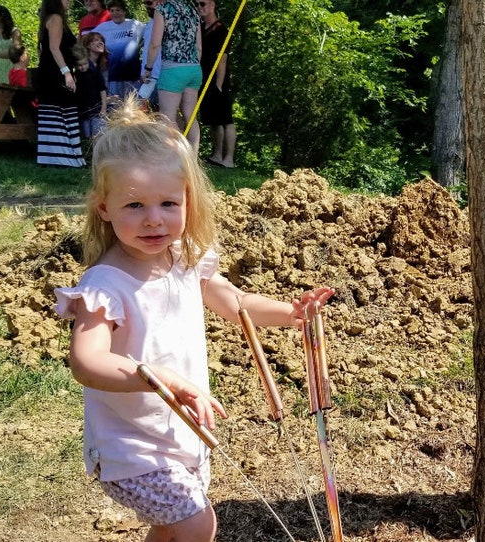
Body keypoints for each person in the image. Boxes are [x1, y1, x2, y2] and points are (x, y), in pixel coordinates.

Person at [54, 98, 335, 541]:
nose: (153, 219)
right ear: (103, 207)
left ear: (189, 200)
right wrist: (159, 378)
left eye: (168, 202)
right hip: (133, 446)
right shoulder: (105, 285)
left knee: (170, 529)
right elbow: (86, 361)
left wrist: (291, 313)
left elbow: (236, 302)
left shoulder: (186, 260)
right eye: (134, 206)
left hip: (183, 435)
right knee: (197, 523)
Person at [142, 0, 201, 149]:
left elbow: (155, 44)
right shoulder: (193, 9)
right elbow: (198, 47)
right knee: (190, 116)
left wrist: (148, 68)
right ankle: (192, 158)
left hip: (172, 69)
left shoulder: (162, 9)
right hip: (194, 68)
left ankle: (180, 156)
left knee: (167, 117)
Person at [34, 0, 84, 167]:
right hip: (54, 74)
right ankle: (62, 157)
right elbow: (54, 48)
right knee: (61, 112)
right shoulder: (55, 18)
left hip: (50, 73)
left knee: (59, 113)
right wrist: (67, 73)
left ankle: (58, 156)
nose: (69, 1)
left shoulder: (47, 19)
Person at [197, 0, 234, 168]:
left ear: (212, 5)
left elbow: (222, 59)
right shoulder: (201, 28)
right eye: (197, 4)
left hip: (218, 81)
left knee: (225, 120)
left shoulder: (221, 30)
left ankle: (228, 159)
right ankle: (217, 155)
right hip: (204, 78)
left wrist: (218, 85)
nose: (199, 7)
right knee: (213, 120)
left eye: (202, 4)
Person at [92, 0, 144, 100]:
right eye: (112, 10)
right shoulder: (103, 27)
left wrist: (138, 47)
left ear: (124, 11)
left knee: (134, 107)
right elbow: (87, 40)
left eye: (118, 10)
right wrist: (101, 52)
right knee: (115, 107)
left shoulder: (137, 25)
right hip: (113, 75)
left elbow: (150, 37)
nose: (115, 13)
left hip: (133, 75)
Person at [73, 40, 107, 138]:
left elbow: (102, 90)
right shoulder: (76, 76)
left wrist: (103, 108)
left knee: (98, 133)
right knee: (86, 134)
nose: (83, 67)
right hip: (83, 111)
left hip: (96, 109)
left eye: (85, 63)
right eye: (79, 65)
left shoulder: (95, 73)